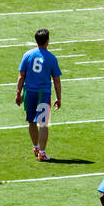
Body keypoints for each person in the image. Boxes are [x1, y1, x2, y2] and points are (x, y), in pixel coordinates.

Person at [15, 28, 62, 162]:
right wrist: (59, 98)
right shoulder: (51, 58)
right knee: (43, 124)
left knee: (31, 121)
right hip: (43, 94)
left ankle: (35, 147)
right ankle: (42, 152)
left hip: (29, 92)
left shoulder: (28, 55)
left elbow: (21, 76)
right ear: (47, 41)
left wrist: (18, 93)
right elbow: (57, 81)